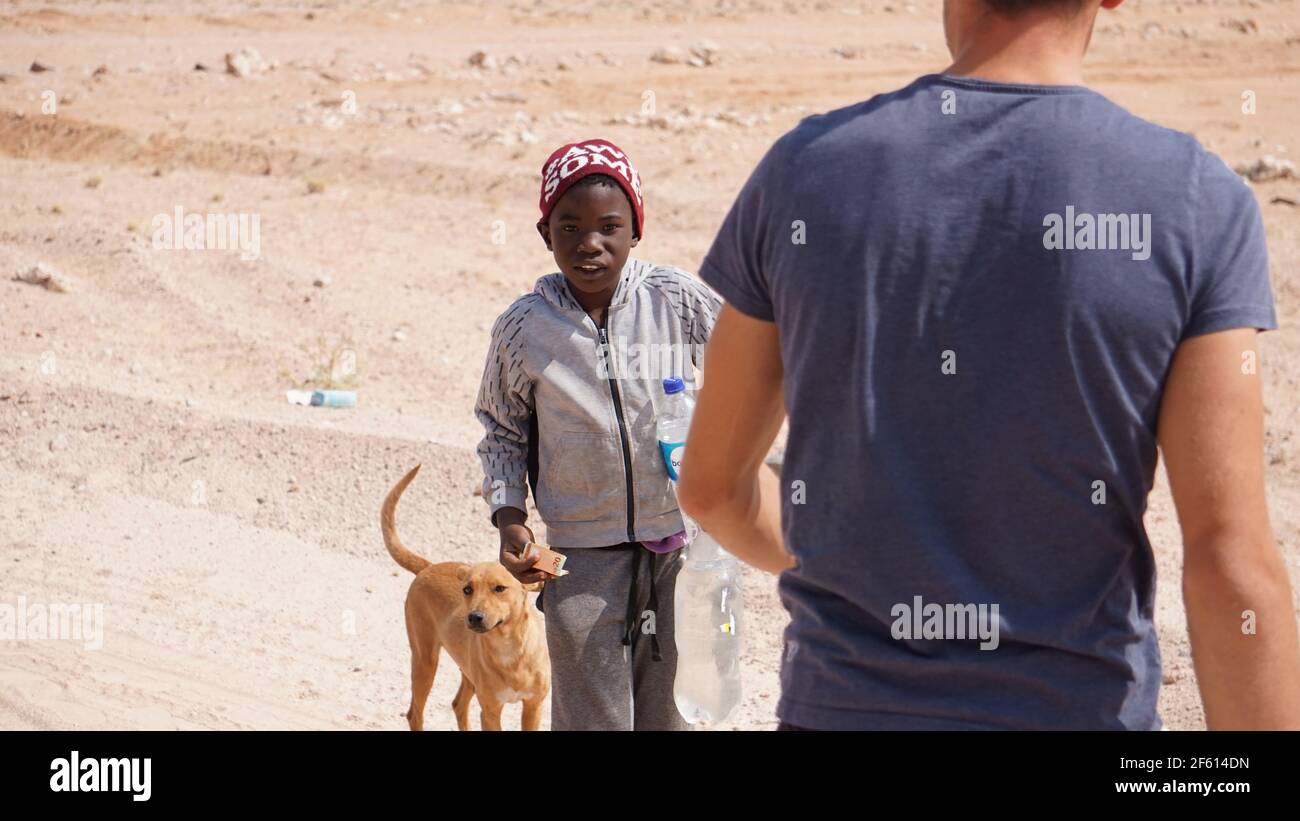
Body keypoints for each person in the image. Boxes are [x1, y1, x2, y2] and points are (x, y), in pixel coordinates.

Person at [678, 0, 1300, 729]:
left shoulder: (806, 174)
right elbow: (1230, 563)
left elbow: (715, 488)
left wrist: (850, 552)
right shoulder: (1194, 201)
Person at [475, 138, 722, 730]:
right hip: (579, 562)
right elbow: (501, 429)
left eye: (609, 226)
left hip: (680, 548)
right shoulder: (524, 329)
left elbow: (749, 371)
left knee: (677, 714)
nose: (590, 243)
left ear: (636, 228)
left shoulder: (677, 301)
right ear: (545, 234)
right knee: (593, 719)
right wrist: (510, 517)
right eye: (570, 227)